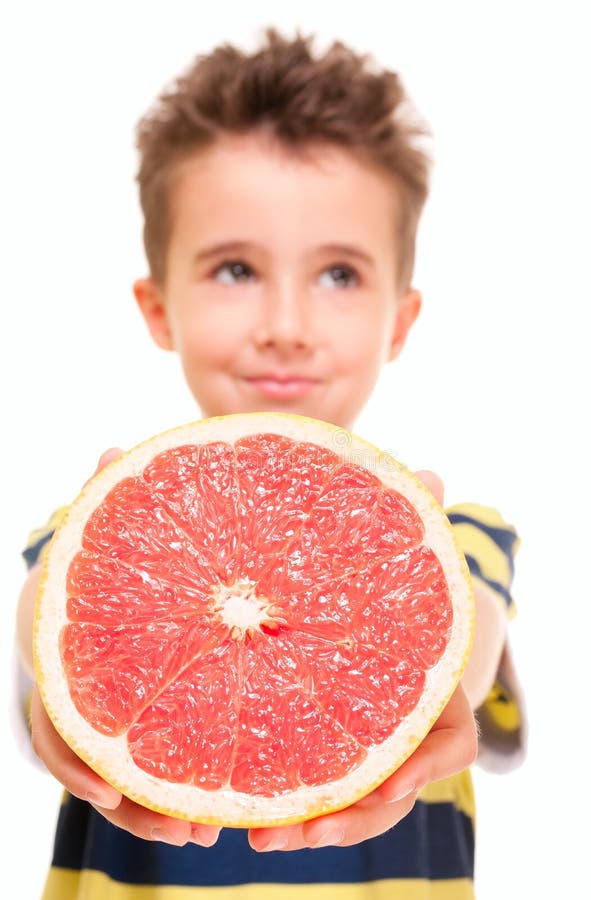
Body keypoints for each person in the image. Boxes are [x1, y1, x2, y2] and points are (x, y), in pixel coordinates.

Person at [16, 26, 524, 899]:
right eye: (235, 268)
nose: (285, 322)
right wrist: (53, 677)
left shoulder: (453, 533)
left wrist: (434, 671)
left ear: (399, 321)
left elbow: (465, 640)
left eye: (337, 276)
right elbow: (45, 621)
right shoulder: (97, 526)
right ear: (157, 305)